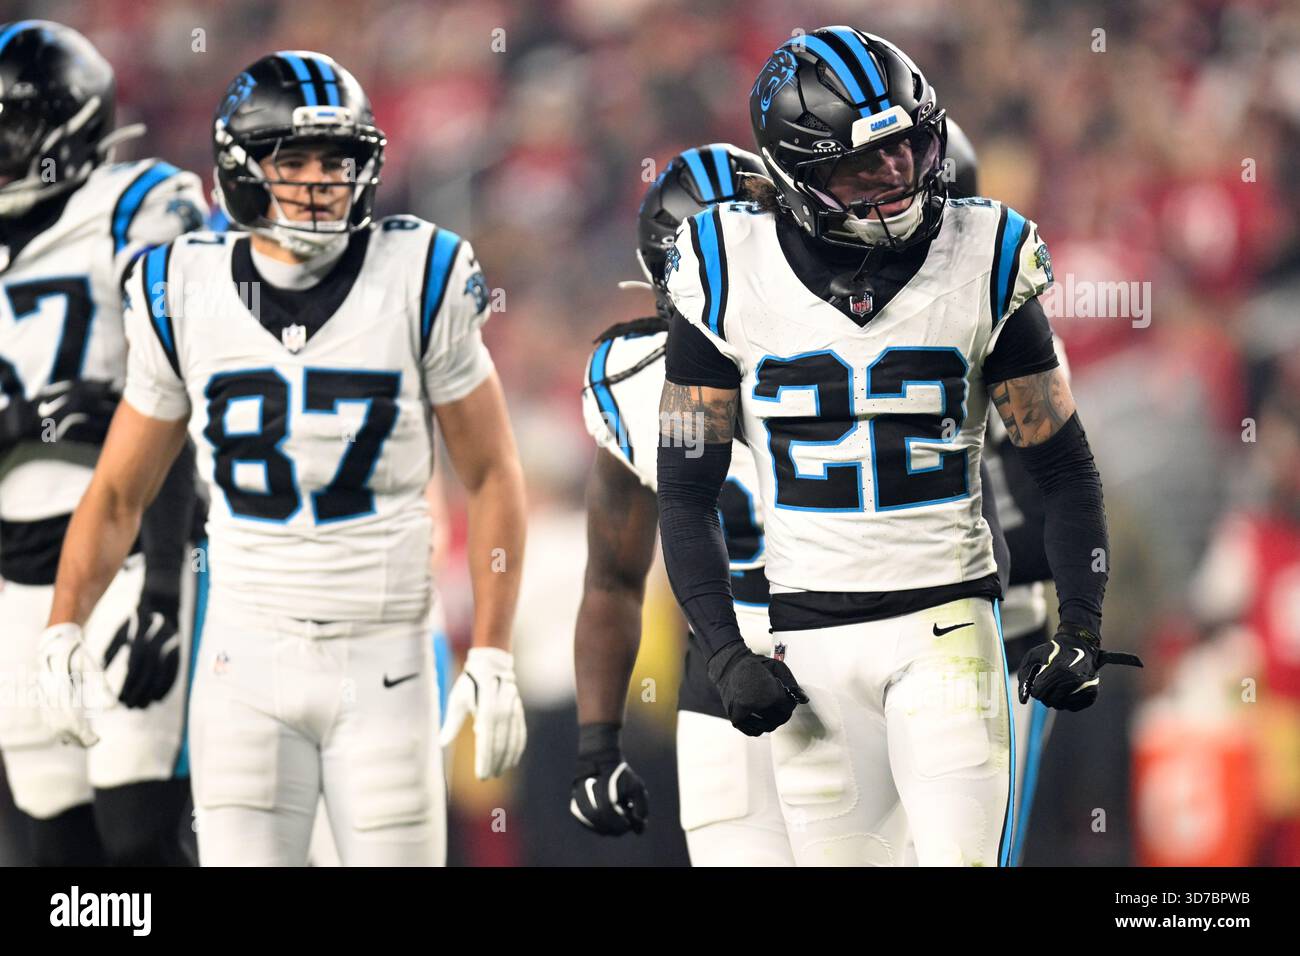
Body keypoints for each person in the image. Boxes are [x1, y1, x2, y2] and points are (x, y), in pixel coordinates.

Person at [655, 26, 1140, 866]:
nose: (897, 177)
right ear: (797, 177)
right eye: (861, 166)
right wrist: (724, 648)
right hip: (803, 641)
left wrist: (1083, 624)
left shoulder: (983, 252)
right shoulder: (721, 266)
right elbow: (685, 492)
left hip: (944, 622)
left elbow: (1062, 468)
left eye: (907, 149)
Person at [38, 51, 528, 865]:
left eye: (334, 160)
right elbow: (122, 490)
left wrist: (494, 649)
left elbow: (491, 473)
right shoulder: (181, 288)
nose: (315, 180)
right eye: (289, 159)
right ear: (241, 170)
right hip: (246, 657)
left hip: (389, 657)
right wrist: (63, 627)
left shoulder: (421, 273)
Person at [0, 19, 206, 865]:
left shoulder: (136, 201)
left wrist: (165, 577)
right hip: (13, 573)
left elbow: (179, 368)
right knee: (49, 839)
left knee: (140, 826)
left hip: (130, 541)